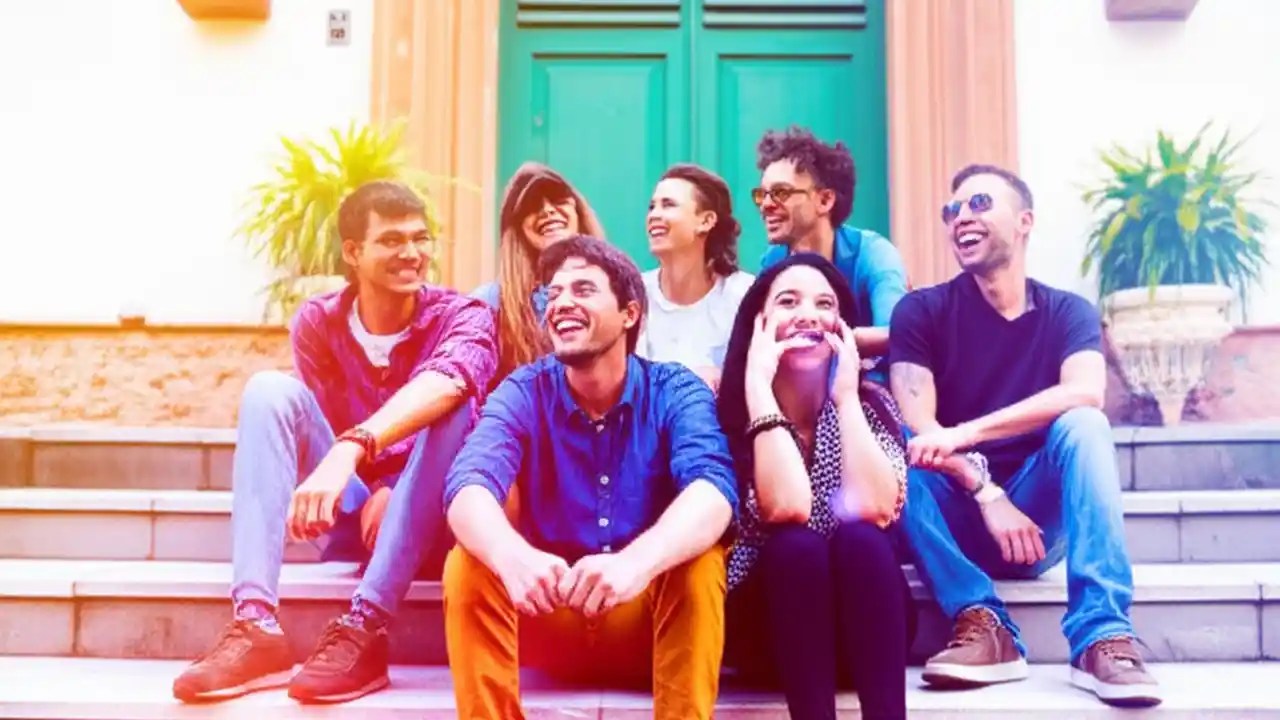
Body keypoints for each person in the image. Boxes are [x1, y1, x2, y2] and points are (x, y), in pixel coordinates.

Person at [172, 181, 497, 705]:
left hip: (430, 511)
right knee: (269, 390)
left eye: (421, 238)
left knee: (454, 401)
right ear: (353, 252)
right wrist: (362, 489)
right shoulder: (318, 322)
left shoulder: (463, 316)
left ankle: (366, 624)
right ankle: (255, 624)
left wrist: (374, 470)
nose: (412, 253)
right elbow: (319, 417)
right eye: (392, 240)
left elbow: (454, 379)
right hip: (353, 506)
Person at [888, 164, 1161, 708]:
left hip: (1036, 523)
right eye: (953, 209)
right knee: (895, 452)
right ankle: (983, 623)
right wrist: (987, 491)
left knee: (1084, 424)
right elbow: (922, 434)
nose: (961, 217)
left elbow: (1085, 392)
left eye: (980, 203)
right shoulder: (921, 312)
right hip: (955, 514)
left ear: (1025, 221)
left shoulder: (1067, 312)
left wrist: (969, 434)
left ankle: (1101, 634)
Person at [441, 235, 739, 720]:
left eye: (582, 290)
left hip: (643, 624)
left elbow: (713, 490)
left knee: (699, 559)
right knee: (470, 559)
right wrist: (512, 556)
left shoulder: (674, 390)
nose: (561, 304)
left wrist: (634, 563)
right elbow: (468, 485)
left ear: (629, 314)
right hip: (547, 617)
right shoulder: (524, 390)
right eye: (553, 294)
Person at [717, 252, 914, 720]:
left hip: (863, 633)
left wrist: (846, 398)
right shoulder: (722, 417)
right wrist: (759, 389)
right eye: (788, 301)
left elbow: (876, 508)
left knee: (864, 539)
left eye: (825, 304)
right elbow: (787, 507)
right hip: (771, 636)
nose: (809, 314)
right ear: (759, 323)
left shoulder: (870, 406)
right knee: (795, 547)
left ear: (840, 328)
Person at [754, 126, 909, 377]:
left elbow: (899, 332)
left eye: (781, 192)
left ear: (825, 200)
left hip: (871, 391)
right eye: (762, 195)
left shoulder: (873, 253)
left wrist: (822, 337)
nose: (766, 205)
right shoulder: (773, 260)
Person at [472, 162, 608, 384]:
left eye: (556, 197)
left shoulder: (616, 288)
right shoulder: (490, 303)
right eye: (531, 205)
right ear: (517, 228)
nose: (547, 210)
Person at [637, 163, 753, 392]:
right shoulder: (634, 293)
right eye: (652, 207)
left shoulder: (745, 295)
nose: (654, 215)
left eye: (668, 205)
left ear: (706, 221)